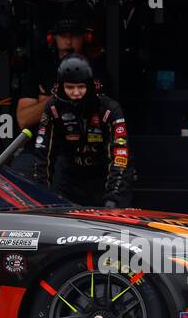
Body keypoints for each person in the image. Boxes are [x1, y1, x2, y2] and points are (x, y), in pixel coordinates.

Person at [32, 56, 133, 207]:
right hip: (69, 182)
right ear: (61, 86)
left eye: (81, 87)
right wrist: (39, 196)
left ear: (90, 85)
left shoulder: (109, 109)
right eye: (70, 87)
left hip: (105, 180)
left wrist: (114, 197)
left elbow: (120, 155)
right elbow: (43, 156)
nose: (76, 92)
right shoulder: (53, 108)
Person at [17, 13, 98, 132]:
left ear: (85, 37)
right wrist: (60, 96)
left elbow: (103, 113)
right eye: (63, 35)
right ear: (53, 38)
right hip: (45, 142)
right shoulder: (40, 69)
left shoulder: (96, 70)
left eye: (74, 35)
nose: (69, 41)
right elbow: (23, 120)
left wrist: (44, 101)